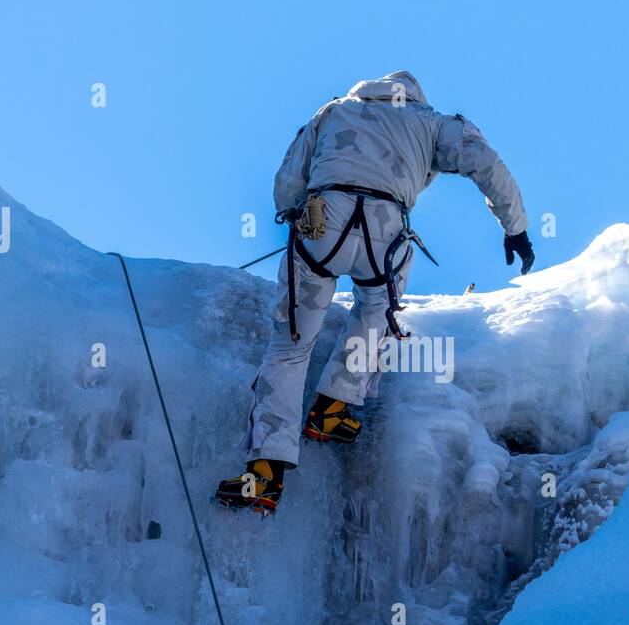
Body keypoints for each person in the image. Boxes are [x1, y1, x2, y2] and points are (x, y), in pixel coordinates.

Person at [215, 71, 534, 514]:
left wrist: (291, 212)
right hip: (386, 231)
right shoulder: (434, 123)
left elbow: (291, 175)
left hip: (323, 219)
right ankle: (333, 406)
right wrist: (514, 228)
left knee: (290, 349)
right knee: (378, 311)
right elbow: (487, 164)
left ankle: (264, 477)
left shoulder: (334, 110)